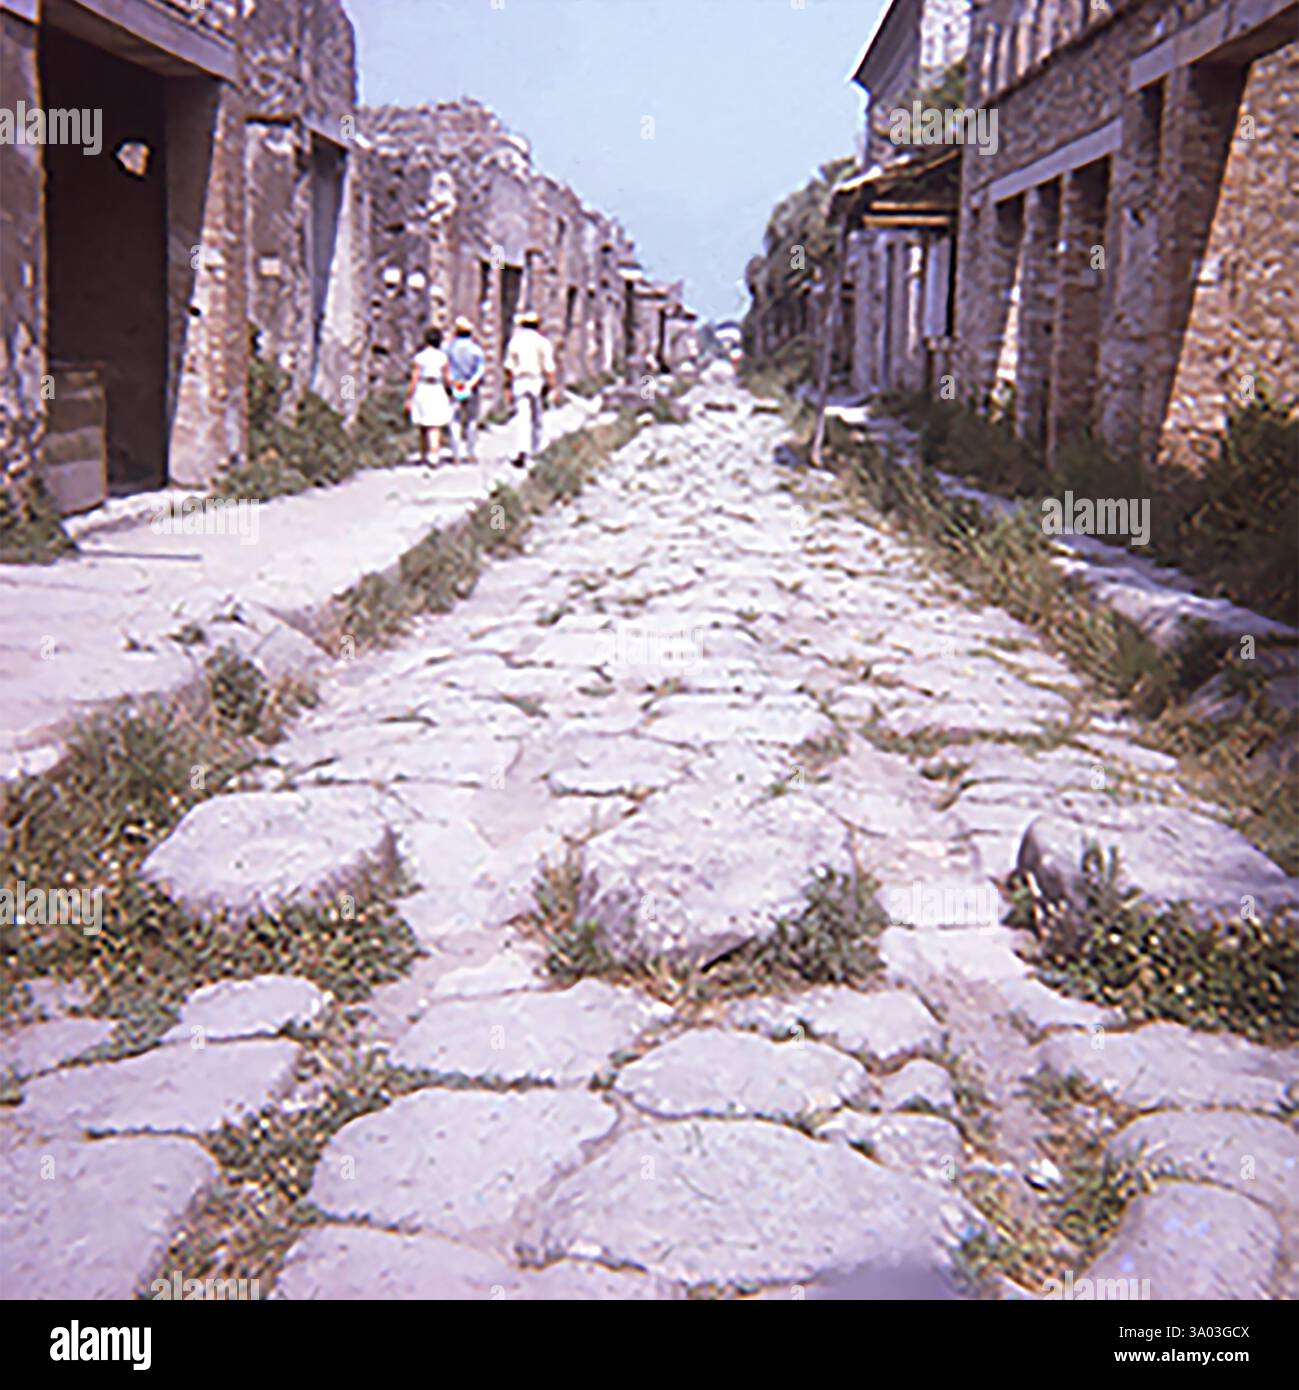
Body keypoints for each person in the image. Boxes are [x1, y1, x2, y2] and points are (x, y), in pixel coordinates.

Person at [503, 310, 556, 469]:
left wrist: (508, 385)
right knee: (537, 418)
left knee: (522, 417)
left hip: (520, 380)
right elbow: (549, 367)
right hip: (536, 380)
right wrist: (552, 386)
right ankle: (537, 449)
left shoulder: (515, 342)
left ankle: (522, 449)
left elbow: (508, 367)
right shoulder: (542, 342)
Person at [405, 326, 452, 466]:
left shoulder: (419, 357)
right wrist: (449, 391)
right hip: (437, 388)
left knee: (423, 424)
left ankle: (423, 453)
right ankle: (434, 454)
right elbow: (447, 377)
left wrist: (409, 396)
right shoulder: (443, 357)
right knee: (435, 424)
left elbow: (414, 378)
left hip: (423, 388)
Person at [445, 316, 486, 465]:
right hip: (472, 388)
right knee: (471, 420)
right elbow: (480, 370)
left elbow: (446, 367)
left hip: (454, 386)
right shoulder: (476, 350)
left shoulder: (448, 348)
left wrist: (452, 382)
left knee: (454, 420)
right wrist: (471, 384)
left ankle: (455, 453)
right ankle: (471, 452)